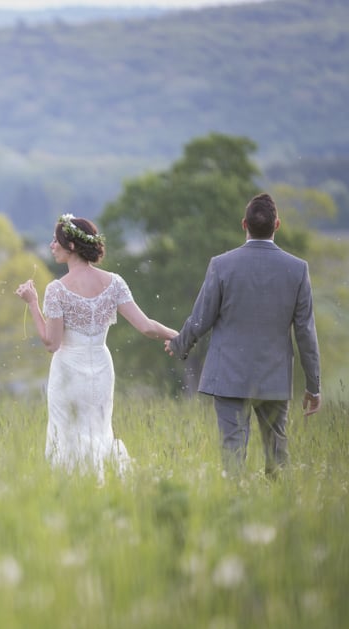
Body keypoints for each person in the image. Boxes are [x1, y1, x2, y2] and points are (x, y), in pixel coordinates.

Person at [165, 192, 321, 477]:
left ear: (243, 224)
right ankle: (278, 511)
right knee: (278, 454)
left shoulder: (222, 265)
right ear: (277, 224)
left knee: (232, 452)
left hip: (229, 376)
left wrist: (179, 344)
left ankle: (236, 509)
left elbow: (201, 318)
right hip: (274, 377)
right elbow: (306, 334)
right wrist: (313, 386)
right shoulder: (297, 269)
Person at [16, 214, 179, 482]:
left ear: (71, 247)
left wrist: (32, 302)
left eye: (56, 241)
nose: (51, 246)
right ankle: (101, 483)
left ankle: (73, 488)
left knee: (66, 432)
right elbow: (147, 327)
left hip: (68, 371)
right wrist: (177, 334)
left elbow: (51, 343)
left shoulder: (57, 290)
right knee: (99, 430)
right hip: (102, 368)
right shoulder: (114, 282)